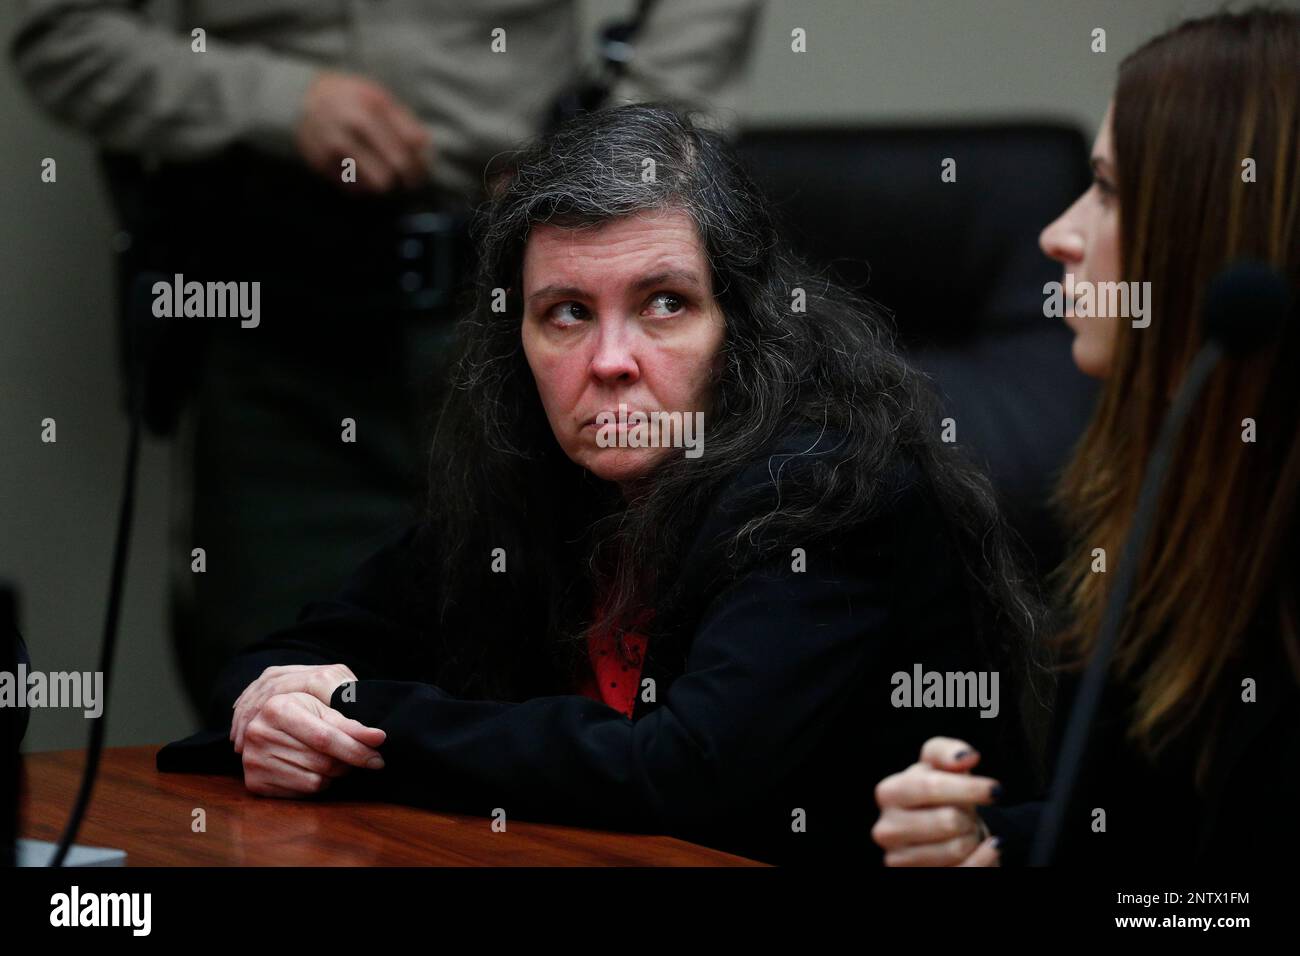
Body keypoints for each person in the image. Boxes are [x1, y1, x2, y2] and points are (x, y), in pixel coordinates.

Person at [159, 104, 1052, 866]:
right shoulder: (532, 480)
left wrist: (354, 720)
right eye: (567, 314)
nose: (611, 362)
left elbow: (687, 773)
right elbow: (281, 656)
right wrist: (271, 710)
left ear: (741, 329)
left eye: (664, 303)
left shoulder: (824, 488)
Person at [10, 0, 762, 718]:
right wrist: (274, 99)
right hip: (281, 327)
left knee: (563, 680)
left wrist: (605, 163)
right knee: (265, 685)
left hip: (506, 304)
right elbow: (65, 35)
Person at [871, 7, 1300, 867]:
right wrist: (984, 842)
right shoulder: (1163, 488)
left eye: (1106, 192)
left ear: (1214, 233)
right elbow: (1144, 838)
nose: (1057, 234)